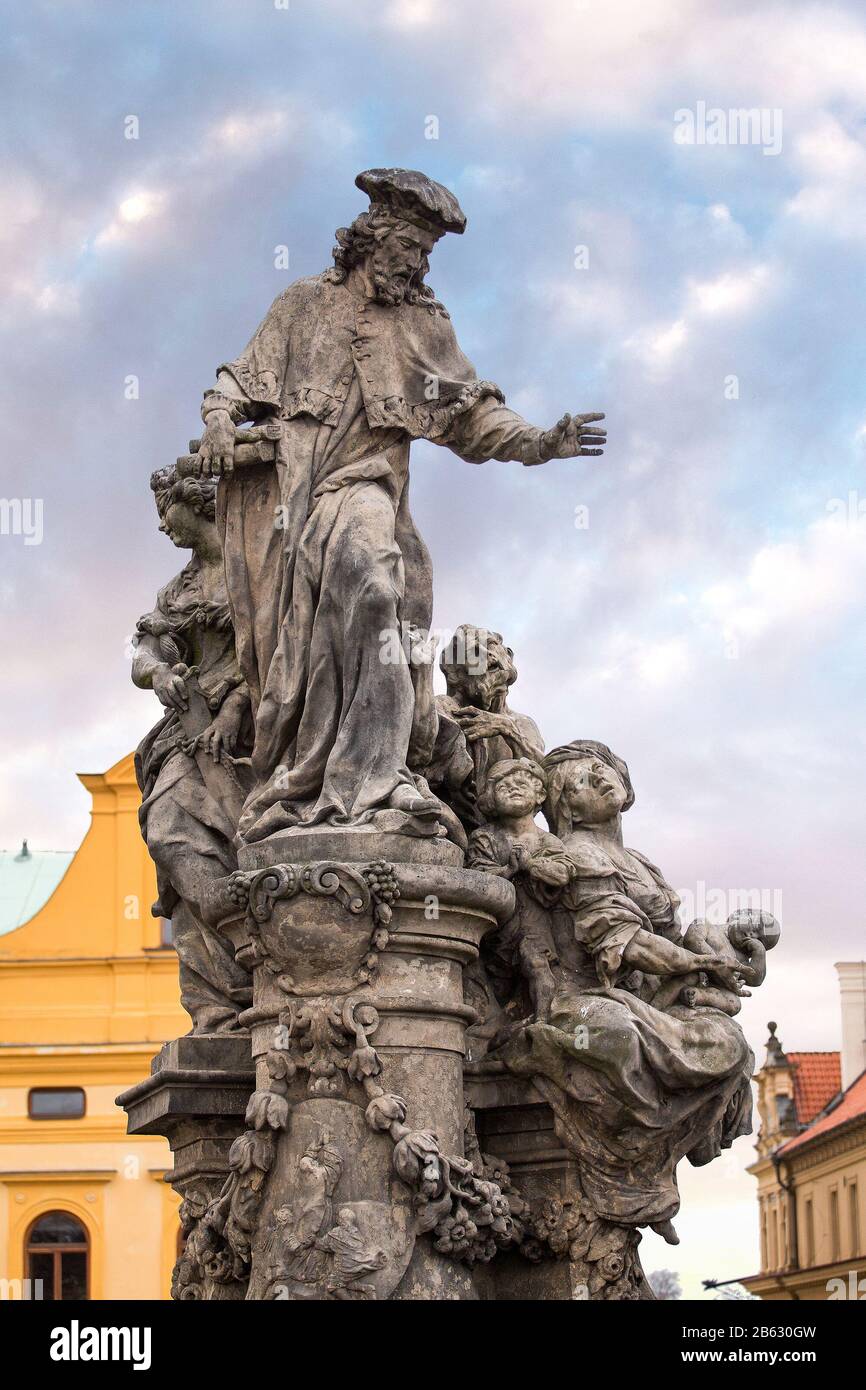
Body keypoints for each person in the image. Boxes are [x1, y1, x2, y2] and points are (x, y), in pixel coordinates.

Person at [191, 168, 606, 844]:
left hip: (364, 490)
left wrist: (541, 441)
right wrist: (218, 419)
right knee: (296, 654)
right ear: (370, 238)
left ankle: (375, 775)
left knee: (380, 588)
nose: (416, 264)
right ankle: (312, 771)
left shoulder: (422, 323)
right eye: (408, 248)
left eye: (425, 254)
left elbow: (473, 417)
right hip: (292, 506)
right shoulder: (303, 305)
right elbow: (240, 379)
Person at [132, 466, 252, 1033]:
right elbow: (144, 653)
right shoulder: (175, 590)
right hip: (188, 725)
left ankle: (259, 965)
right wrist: (159, 676)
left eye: (167, 511)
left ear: (199, 503)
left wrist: (234, 709)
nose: (162, 527)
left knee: (237, 842)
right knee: (168, 829)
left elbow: (288, 649)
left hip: (258, 722)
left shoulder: (256, 568)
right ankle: (225, 993)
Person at [467, 758, 571, 1021]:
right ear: (491, 799)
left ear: (539, 794)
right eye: (503, 787)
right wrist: (508, 871)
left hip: (535, 922)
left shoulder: (548, 840)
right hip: (497, 925)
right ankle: (501, 1022)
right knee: (497, 983)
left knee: (537, 964)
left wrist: (530, 865)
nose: (513, 788)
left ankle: (544, 1021)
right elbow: (477, 874)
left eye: (521, 784)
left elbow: (562, 873)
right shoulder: (485, 837)